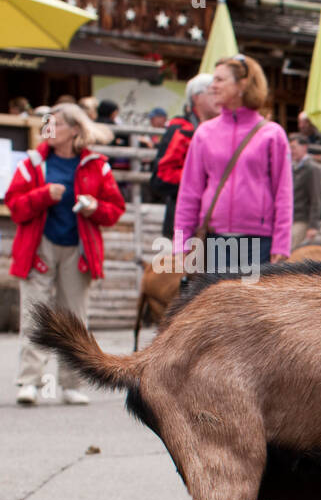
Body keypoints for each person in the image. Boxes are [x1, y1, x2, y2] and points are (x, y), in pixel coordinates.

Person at [6, 103, 124, 405]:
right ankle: (30, 382)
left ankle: (72, 384)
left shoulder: (98, 164)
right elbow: (15, 205)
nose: (49, 128)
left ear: (75, 129)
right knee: (34, 312)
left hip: (79, 250)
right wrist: (42, 195)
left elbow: (114, 210)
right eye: (47, 123)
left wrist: (94, 206)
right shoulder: (32, 162)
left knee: (74, 317)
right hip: (39, 247)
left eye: (56, 123)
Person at [173, 54, 292, 279]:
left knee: (252, 314)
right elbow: (189, 193)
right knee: (216, 313)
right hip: (214, 240)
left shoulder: (272, 134)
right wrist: (181, 243)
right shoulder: (204, 133)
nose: (212, 86)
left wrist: (281, 245)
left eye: (219, 80)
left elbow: (283, 194)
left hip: (260, 245)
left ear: (243, 84)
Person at [151, 73, 217, 233]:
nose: (218, 98)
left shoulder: (227, 129)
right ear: (196, 97)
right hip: (185, 222)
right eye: (212, 92)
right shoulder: (180, 130)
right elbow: (161, 178)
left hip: (220, 226)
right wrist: (200, 178)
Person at [290, 133, 321, 250]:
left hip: (302, 219)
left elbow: (316, 197)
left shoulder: (313, 168)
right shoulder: (294, 167)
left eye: (294, 147)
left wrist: (313, 226)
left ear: (304, 147)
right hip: (291, 218)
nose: (291, 151)